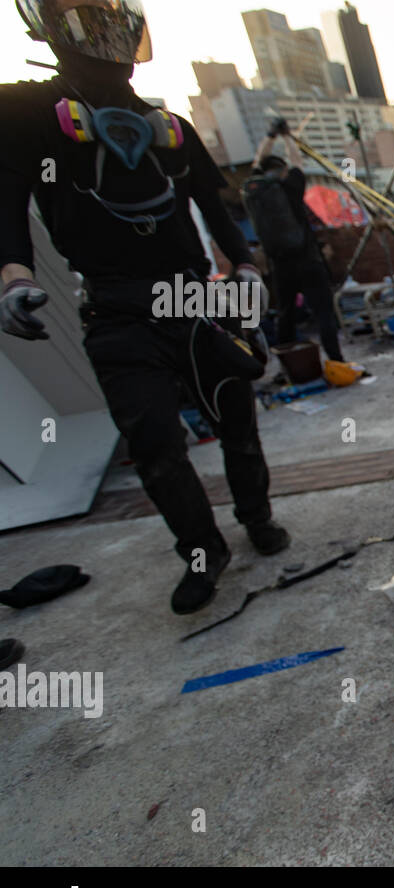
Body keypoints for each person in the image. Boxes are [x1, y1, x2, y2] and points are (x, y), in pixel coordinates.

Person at [0, 1, 289, 615]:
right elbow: (6, 198)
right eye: (91, 20)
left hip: (196, 294)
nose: (109, 34)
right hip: (116, 305)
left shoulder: (171, 126)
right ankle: (203, 552)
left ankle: (256, 517)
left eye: (114, 19)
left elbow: (215, 208)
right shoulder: (26, 114)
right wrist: (12, 275)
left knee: (237, 419)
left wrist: (244, 267)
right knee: (156, 444)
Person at [248, 119, 346, 362]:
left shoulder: (255, 191)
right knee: (324, 312)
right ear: (282, 170)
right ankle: (336, 360)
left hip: (279, 264)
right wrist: (288, 137)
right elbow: (298, 163)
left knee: (286, 314)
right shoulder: (290, 185)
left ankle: (290, 367)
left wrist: (270, 136)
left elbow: (258, 161)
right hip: (307, 259)